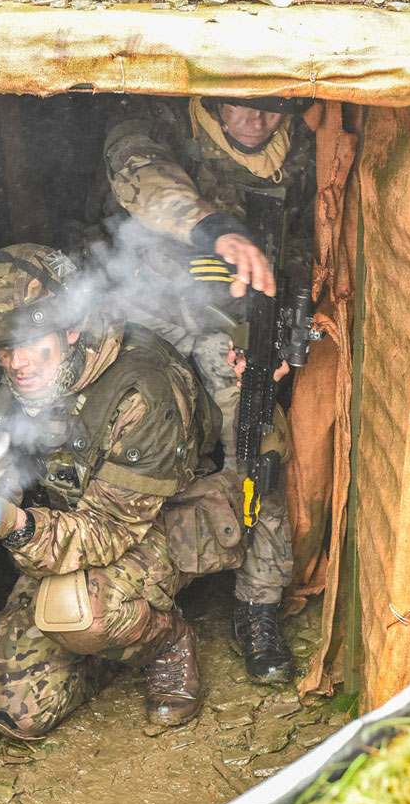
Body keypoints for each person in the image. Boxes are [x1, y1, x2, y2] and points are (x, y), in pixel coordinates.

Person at [0, 243, 245, 739]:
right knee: (18, 712)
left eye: (29, 342)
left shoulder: (141, 391)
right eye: (3, 348)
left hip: (154, 523)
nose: (16, 362)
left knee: (81, 614)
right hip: (66, 520)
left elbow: (107, 531)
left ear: (71, 328)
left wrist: (14, 526)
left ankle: (167, 641)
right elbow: (23, 460)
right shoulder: (9, 368)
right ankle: (101, 650)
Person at [102, 94, 316, 684]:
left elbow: (305, 247)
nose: (257, 122)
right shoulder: (165, 121)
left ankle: (258, 604)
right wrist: (215, 228)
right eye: (241, 106)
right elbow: (140, 170)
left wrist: (278, 341)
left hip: (232, 329)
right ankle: (124, 601)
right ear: (212, 101)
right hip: (146, 315)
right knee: (123, 435)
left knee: (259, 443)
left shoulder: (300, 150)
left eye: (273, 109)